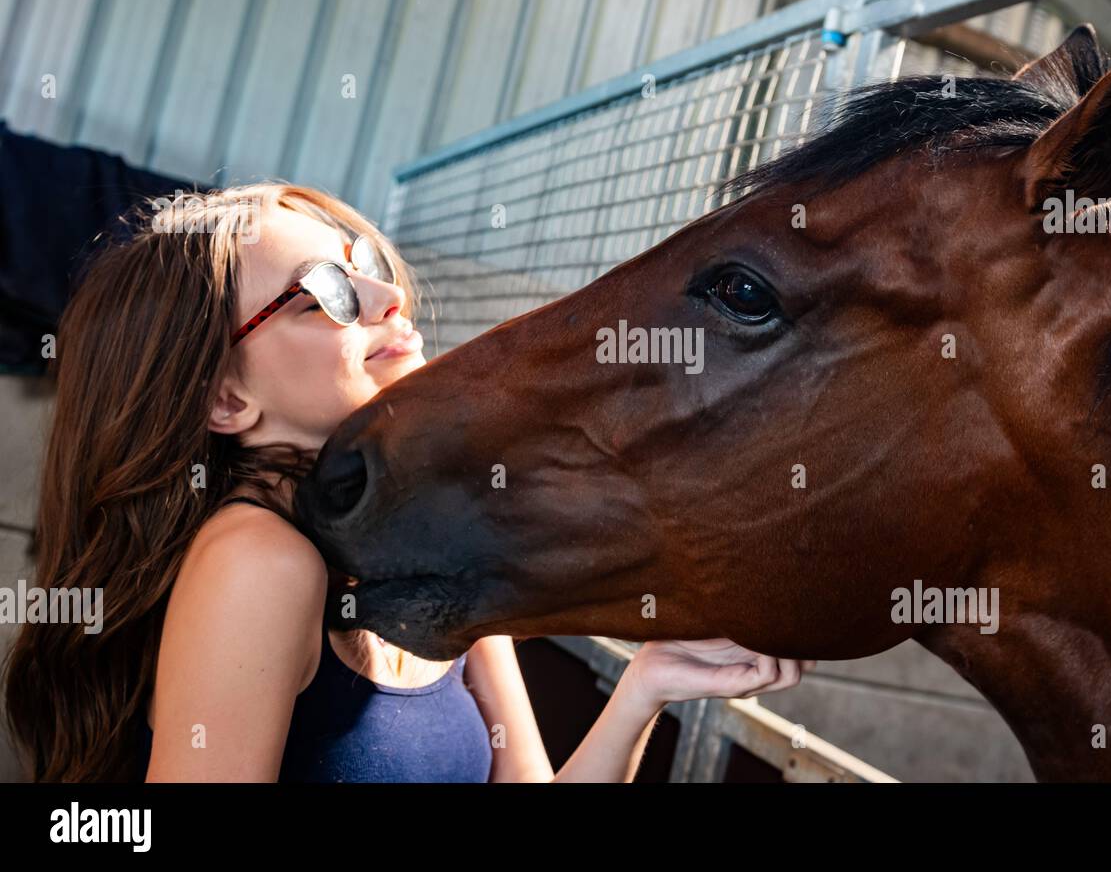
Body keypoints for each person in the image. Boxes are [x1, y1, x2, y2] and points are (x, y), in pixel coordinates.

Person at [2, 183, 811, 782]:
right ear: (225, 398)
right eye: (325, 292)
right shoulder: (258, 562)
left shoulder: (440, 542)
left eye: (368, 268)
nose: (389, 297)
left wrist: (649, 684)